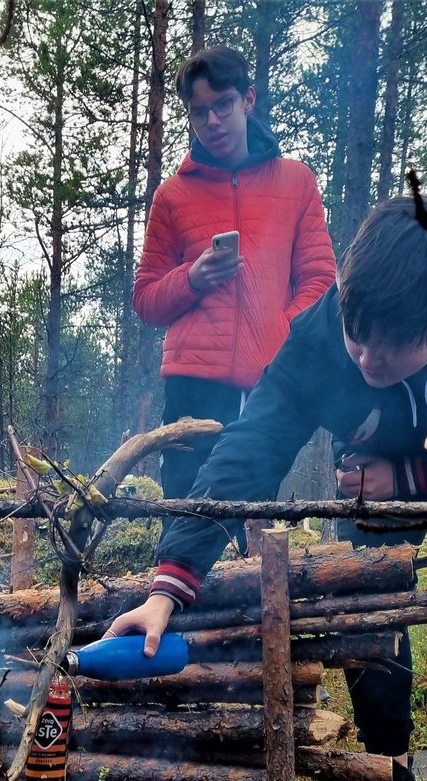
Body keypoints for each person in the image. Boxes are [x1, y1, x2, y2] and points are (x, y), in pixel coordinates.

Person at [109, 196, 427, 781]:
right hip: (391, 483)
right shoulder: (320, 337)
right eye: (358, 338)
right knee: (363, 587)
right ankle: (390, 769)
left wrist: (413, 480)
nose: (368, 360)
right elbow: (249, 451)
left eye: (393, 345)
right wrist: (171, 583)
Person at [133, 45, 336, 500]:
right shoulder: (172, 196)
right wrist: (192, 278)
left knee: (252, 514)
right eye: (198, 111)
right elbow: (145, 298)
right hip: (191, 386)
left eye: (222, 104)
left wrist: (282, 334)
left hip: (267, 383)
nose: (212, 122)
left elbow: (321, 280)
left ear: (248, 99)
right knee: (186, 509)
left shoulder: (296, 181)